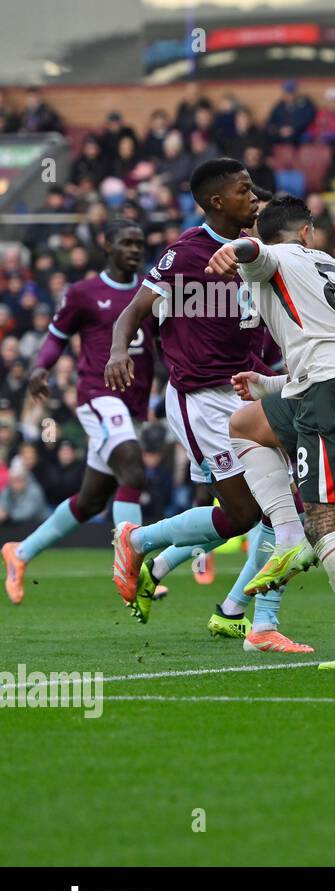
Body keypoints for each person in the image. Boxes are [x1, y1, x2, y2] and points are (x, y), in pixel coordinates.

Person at [104, 158, 307, 651]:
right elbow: (132, 312)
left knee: (285, 508)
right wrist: (117, 352)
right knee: (242, 513)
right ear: (217, 202)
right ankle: (136, 542)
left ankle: (255, 621)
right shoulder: (185, 255)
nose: (253, 197)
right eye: (243, 191)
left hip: (247, 392)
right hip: (201, 399)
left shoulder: (259, 251)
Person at [205, 196, 335, 671]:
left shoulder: (278, 256)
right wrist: (269, 384)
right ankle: (289, 535)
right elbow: (328, 347)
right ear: (309, 231)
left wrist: (239, 247)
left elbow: (260, 257)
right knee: (246, 424)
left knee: (327, 524)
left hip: (333, 396)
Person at [3, 222, 156, 605]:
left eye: (139, 243)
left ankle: (19, 553)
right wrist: (42, 367)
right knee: (133, 469)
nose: (134, 249)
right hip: (97, 395)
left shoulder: (154, 291)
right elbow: (56, 336)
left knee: (90, 501)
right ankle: (130, 566)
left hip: (133, 402)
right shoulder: (84, 293)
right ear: (108, 246)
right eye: (126, 242)